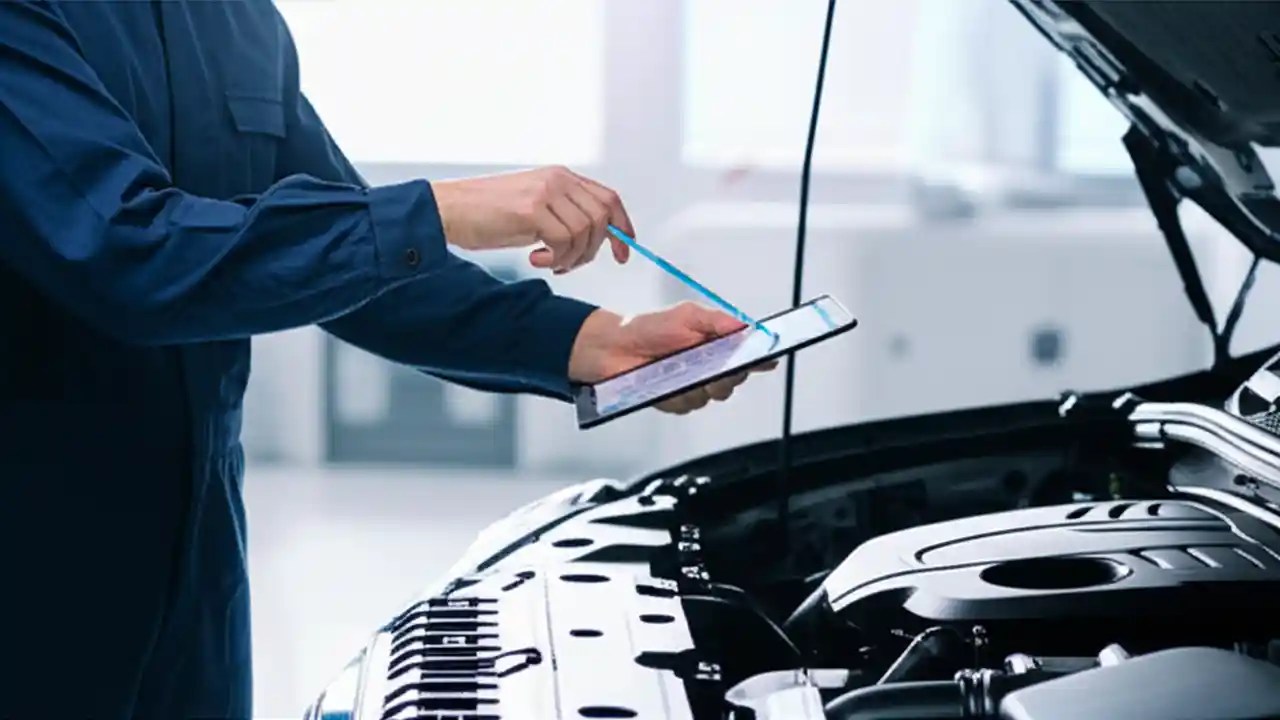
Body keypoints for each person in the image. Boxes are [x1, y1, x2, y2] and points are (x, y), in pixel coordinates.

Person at [0, 2, 769, 717]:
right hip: (35, 568)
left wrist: (593, 341)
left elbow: (356, 266)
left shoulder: (235, 20)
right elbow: (131, 251)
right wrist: (441, 209)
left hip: (200, 578)